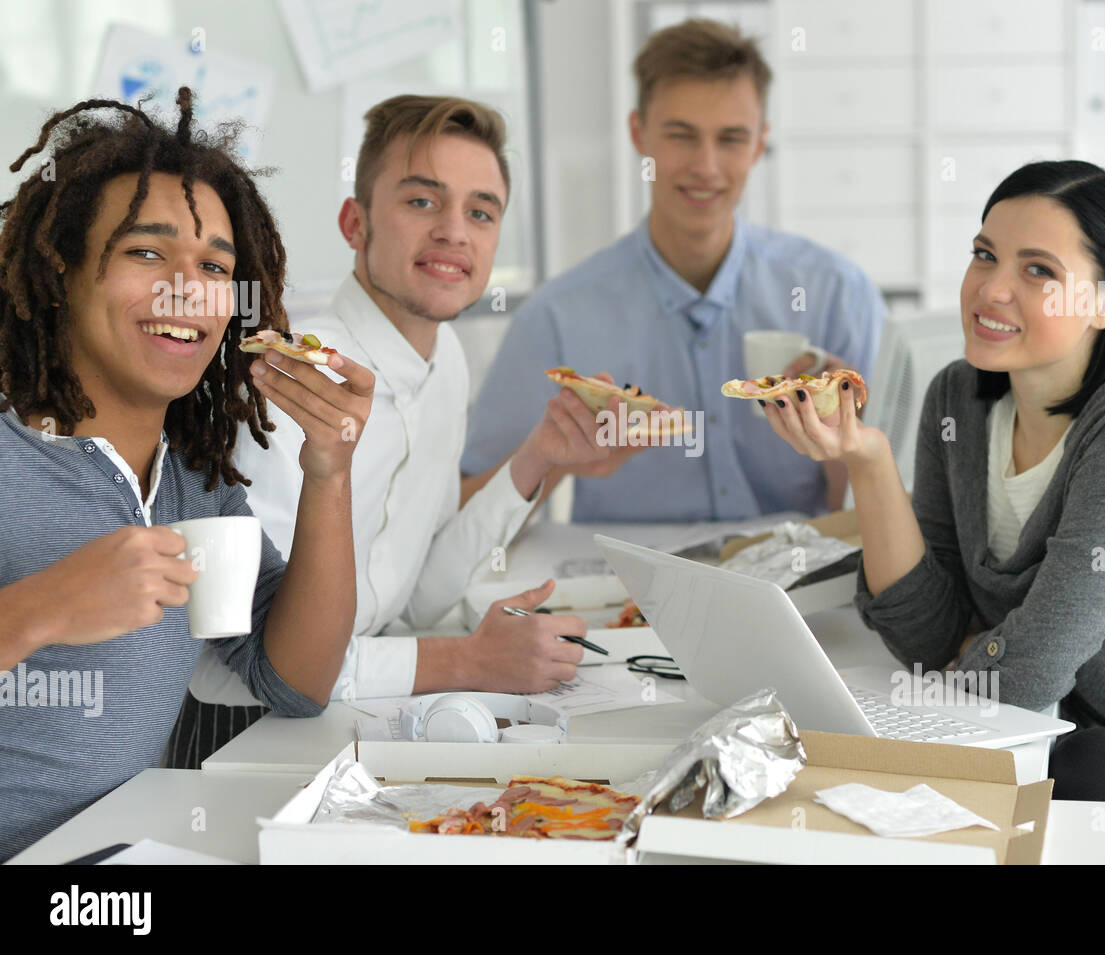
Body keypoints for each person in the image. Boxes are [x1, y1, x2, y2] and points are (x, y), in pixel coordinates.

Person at [756, 159, 1105, 807]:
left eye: (1038, 269)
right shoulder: (958, 398)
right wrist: (869, 460)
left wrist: (989, 650)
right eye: (985, 254)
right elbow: (928, 636)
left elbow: (1024, 671)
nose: (992, 289)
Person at [166, 95, 620, 768]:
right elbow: (265, 660)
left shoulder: (447, 365)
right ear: (356, 222)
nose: (455, 233)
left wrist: (540, 456)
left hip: (356, 719)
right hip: (244, 734)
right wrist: (466, 659)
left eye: (481, 212)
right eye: (421, 202)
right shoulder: (294, 377)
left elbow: (414, 595)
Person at [0, 88, 375, 859]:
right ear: (62, 268)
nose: (185, 287)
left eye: (214, 265)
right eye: (146, 251)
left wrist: (329, 471)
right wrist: (38, 609)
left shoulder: (193, 487)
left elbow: (295, 682)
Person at [460, 18, 887, 522]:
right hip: (624, 596)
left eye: (730, 138)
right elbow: (469, 513)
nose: (706, 166)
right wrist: (550, 458)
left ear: (759, 143)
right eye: (682, 135)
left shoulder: (837, 294)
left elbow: (893, 505)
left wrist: (846, 436)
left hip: (801, 591)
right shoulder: (558, 317)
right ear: (639, 133)